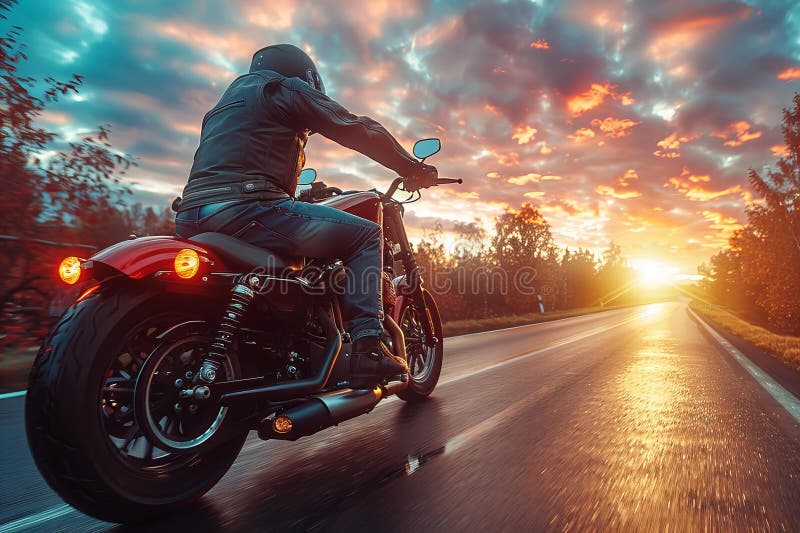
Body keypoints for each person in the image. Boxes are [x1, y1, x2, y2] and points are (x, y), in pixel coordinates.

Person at [174, 44, 437, 388]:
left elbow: (241, 158)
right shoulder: (280, 88)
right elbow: (354, 127)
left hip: (192, 216)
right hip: (246, 208)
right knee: (365, 235)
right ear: (306, 79)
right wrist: (411, 166)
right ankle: (369, 350)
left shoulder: (222, 107)